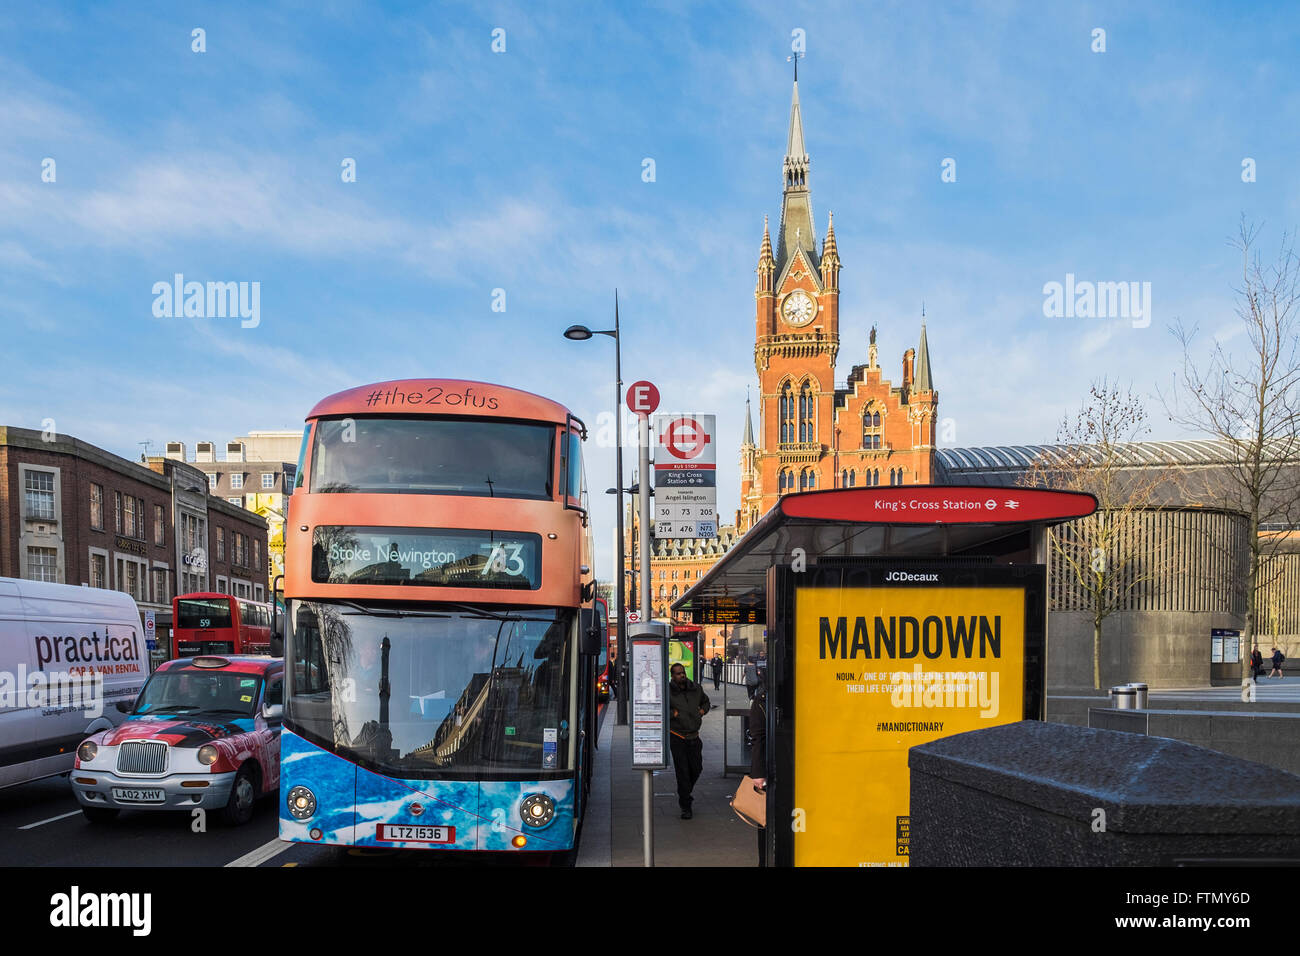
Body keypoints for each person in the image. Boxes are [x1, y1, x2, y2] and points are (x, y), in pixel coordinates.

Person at [668, 662, 711, 819]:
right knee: (683, 773)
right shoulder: (668, 691)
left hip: (694, 736)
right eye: (678, 673)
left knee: (697, 768)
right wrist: (673, 714)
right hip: (678, 737)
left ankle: (685, 791)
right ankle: (686, 805)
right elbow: (661, 709)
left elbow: (706, 702)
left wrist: (702, 710)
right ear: (673, 676)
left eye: (683, 672)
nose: (682, 675)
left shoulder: (695, 689)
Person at [748, 673, 768, 866]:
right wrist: (758, 773)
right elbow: (758, 738)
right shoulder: (761, 701)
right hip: (772, 768)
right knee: (765, 819)